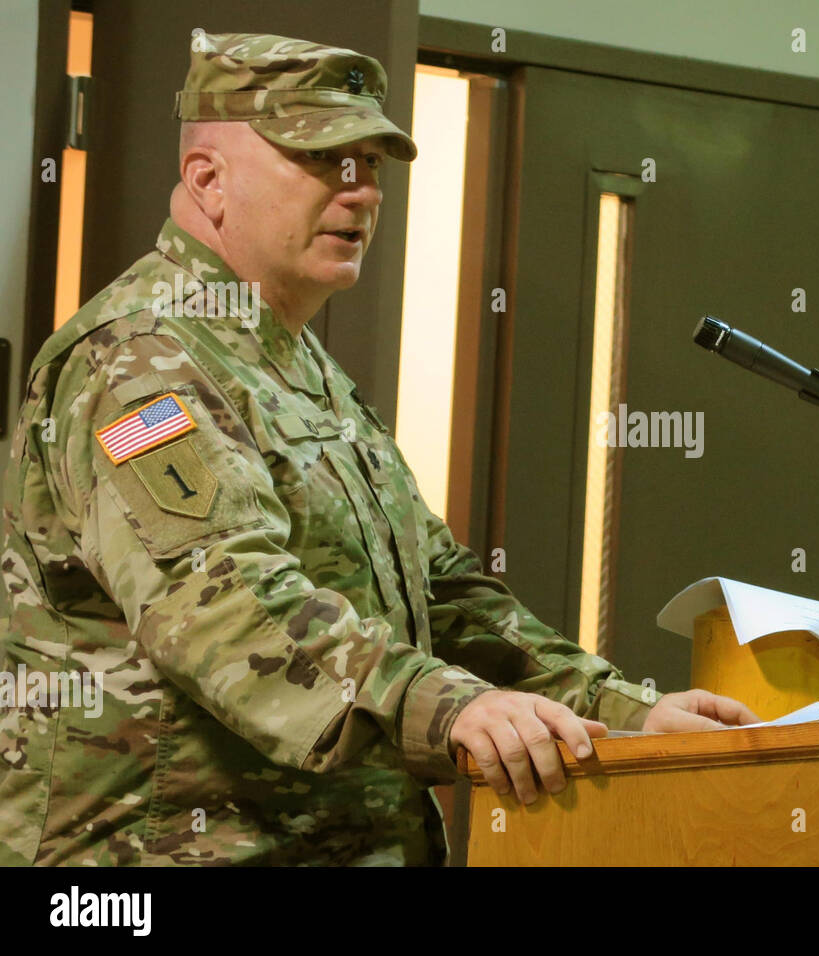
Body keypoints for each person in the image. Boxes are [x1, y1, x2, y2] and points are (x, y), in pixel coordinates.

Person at [0, 31, 757, 866]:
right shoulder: (138, 357)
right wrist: (451, 709)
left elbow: (441, 592)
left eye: (371, 164)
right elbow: (226, 605)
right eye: (324, 161)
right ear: (208, 179)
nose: (361, 194)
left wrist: (618, 709)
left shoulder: (289, 360)